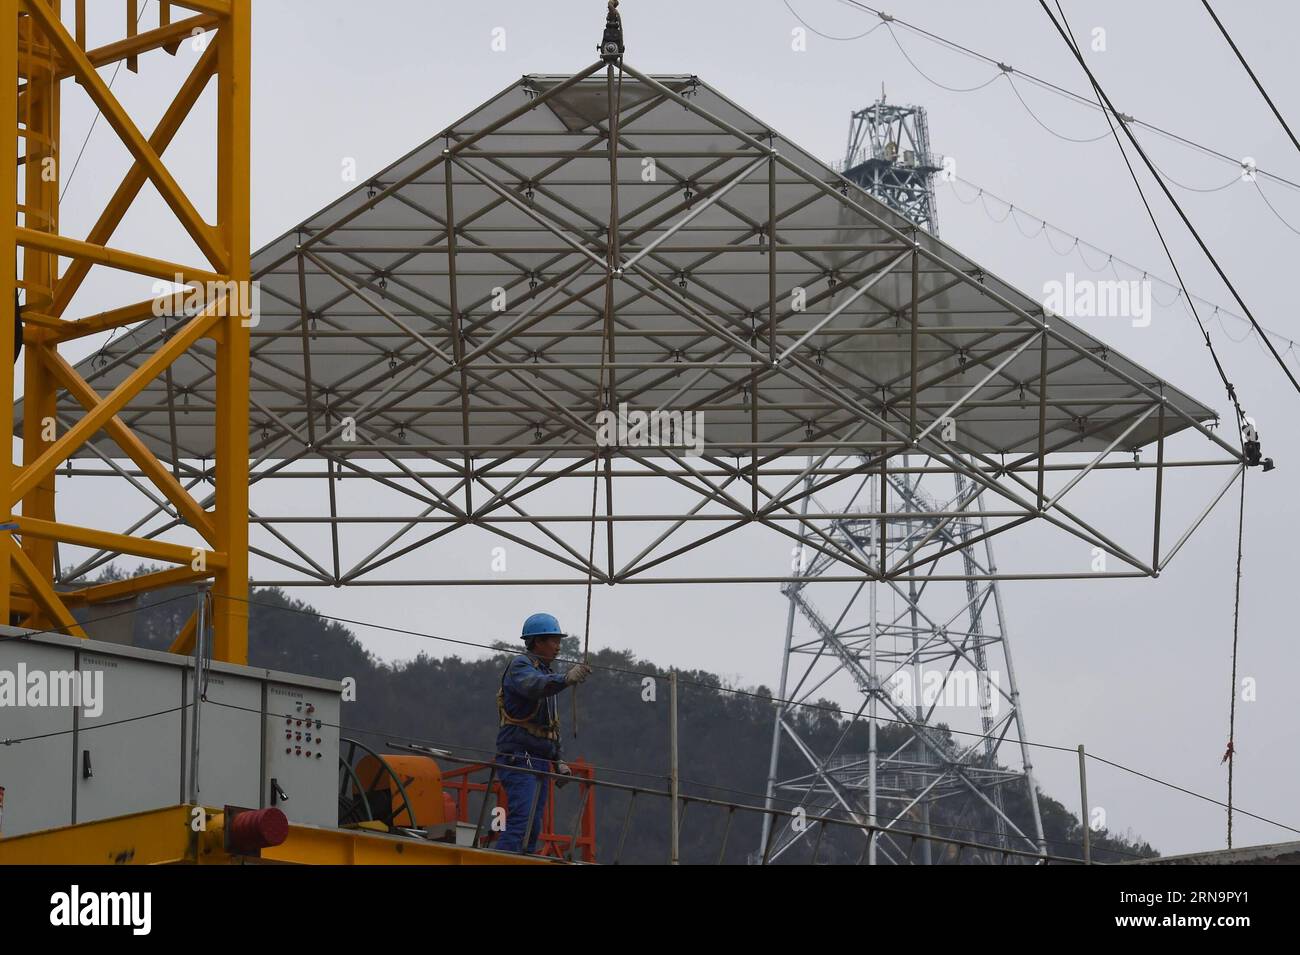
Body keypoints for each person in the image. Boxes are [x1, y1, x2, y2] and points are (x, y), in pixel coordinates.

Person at [494, 612, 590, 854]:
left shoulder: (547, 675)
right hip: (518, 755)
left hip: (539, 760)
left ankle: (523, 859)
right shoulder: (522, 667)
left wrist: (559, 759)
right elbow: (533, 686)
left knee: (533, 825)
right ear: (537, 641)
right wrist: (566, 679)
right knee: (522, 820)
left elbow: (551, 728)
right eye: (553, 641)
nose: (558, 647)